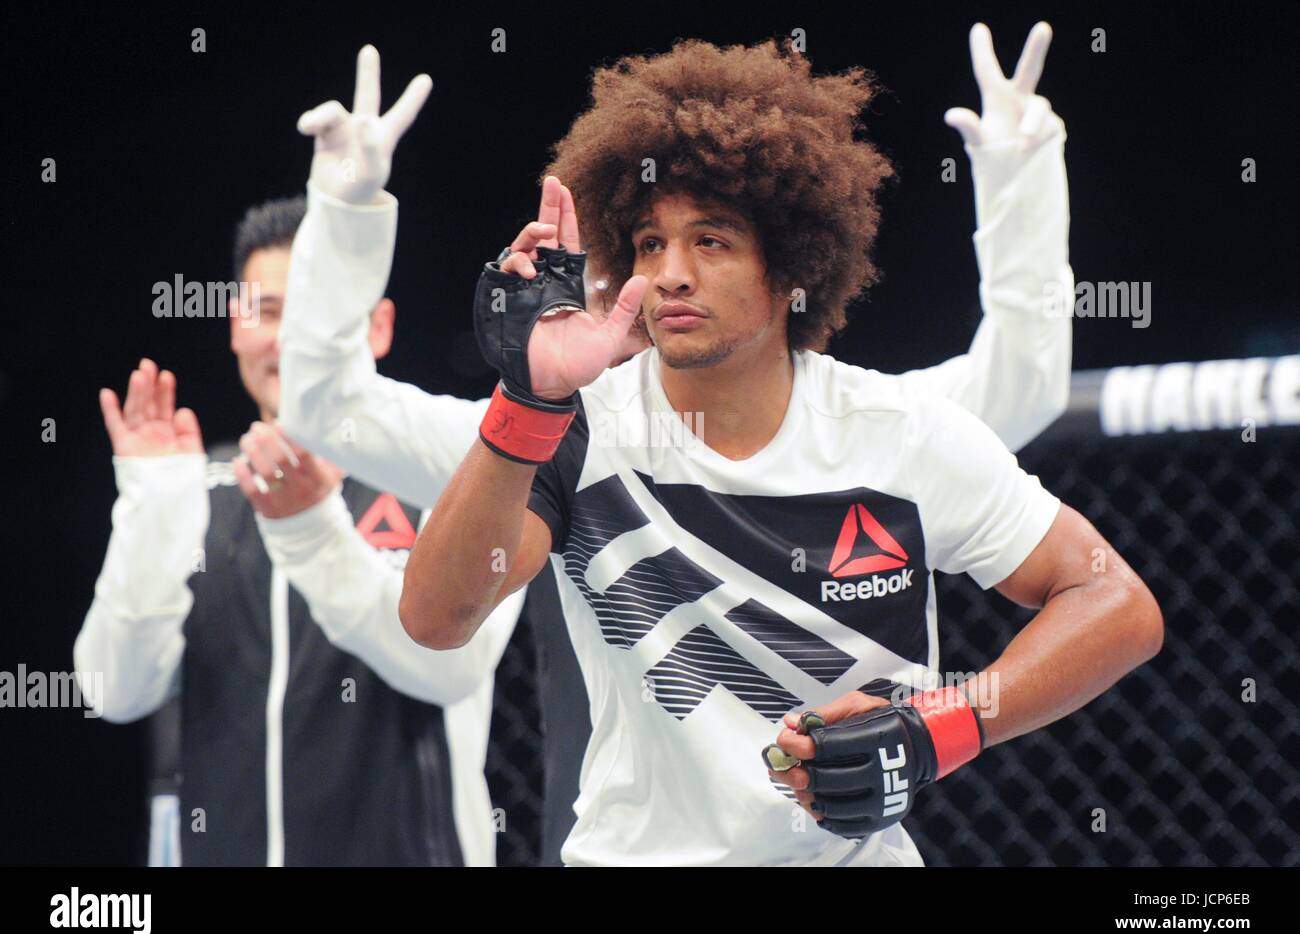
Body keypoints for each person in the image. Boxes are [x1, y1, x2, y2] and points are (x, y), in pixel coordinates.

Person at [276, 27, 1079, 863]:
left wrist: (946, 722)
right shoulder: (564, 423)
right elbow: (422, 593)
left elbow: (1037, 422)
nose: (667, 277)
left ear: (792, 263)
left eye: (711, 240)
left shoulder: (894, 428)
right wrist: (352, 221)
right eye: (648, 245)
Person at [73, 198, 522, 865]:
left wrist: (315, 531)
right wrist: (152, 509)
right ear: (235, 325)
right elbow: (113, 690)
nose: (288, 341)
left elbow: (450, 668)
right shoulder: (197, 496)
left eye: (316, 317)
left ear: (376, 328)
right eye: (269, 311)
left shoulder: (452, 484)